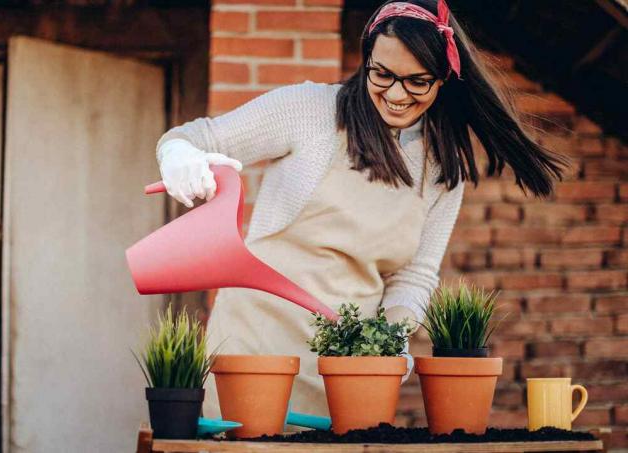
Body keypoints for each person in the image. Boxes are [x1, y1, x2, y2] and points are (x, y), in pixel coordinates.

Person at [155, 0, 565, 418]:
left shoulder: (444, 170)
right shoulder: (310, 110)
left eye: (417, 82)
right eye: (382, 74)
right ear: (367, 58)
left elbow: (414, 275)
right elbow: (198, 136)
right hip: (254, 345)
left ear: (443, 80)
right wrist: (178, 156)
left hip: (346, 368)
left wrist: (392, 337)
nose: (396, 94)